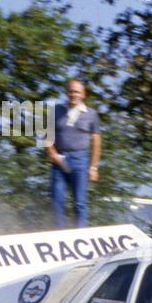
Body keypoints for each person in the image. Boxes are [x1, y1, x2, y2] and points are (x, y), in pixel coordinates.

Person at [45, 78, 101, 228]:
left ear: (83, 94)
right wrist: (53, 154)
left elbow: (96, 141)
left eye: (76, 92)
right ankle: (59, 234)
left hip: (80, 160)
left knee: (80, 202)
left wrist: (93, 167)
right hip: (60, 160)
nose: (73, 94)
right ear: (66, 93)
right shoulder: (56, 111)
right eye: (70, 91)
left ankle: (81, 234)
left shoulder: (91, 114)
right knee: (57, 200)